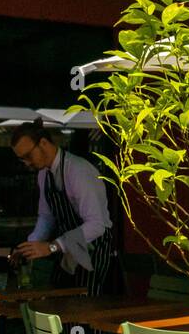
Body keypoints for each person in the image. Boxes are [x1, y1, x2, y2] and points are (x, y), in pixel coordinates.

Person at [11, 120, 115, 297]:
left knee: (84, 311)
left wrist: (51, 247)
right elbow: (46, 217)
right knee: (59, 304)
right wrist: (30, 246)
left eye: (28, 156)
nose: (27, 163)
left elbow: (96, 225)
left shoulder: (78, 170)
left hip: (93, 249)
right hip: (68, 251)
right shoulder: (44, 174)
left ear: (43, 143)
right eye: (22, 159)